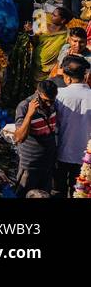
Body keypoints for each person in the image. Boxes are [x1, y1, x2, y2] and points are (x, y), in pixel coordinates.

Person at [14, 80, 61, 196]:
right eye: (45, 101)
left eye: (52, 101)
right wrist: (29, 115)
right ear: (37, 93)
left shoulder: (54, 103)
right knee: (25, 194)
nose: (49, 104)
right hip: (30, 165)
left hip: (48, 163)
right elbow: (19, 138)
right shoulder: (24, 107)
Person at [55, 55, 91, 197]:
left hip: (62, 151)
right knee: (80, 192)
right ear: (86, 75)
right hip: (86, 158)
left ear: (67, 77)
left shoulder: (59, 95)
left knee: (60, 189)